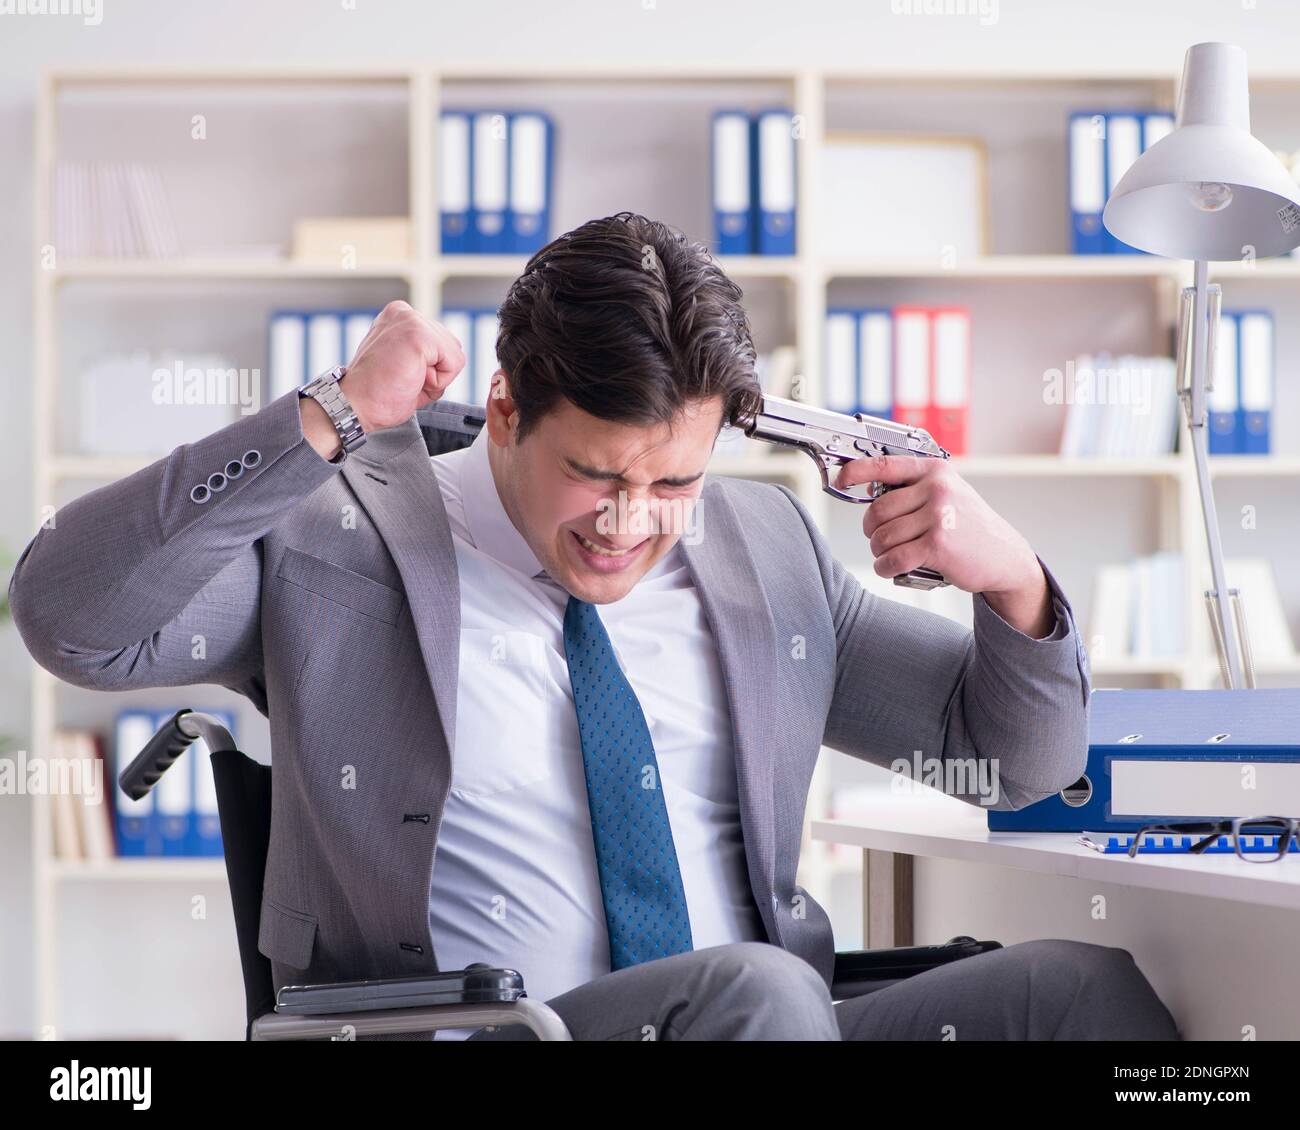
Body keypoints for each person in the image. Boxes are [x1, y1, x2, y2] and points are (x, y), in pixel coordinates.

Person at [10, 211, 1177, 1040]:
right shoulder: (336, 542)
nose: (630, 523)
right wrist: (325, 416)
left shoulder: (765, 551)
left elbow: (1022, 764)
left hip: (766, 1022)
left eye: (672, 483)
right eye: (595, 474)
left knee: (1084, 990)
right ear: (507, 408)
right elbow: (72, 617)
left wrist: (1012, 581)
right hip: (493, 1031)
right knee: (761, 995)